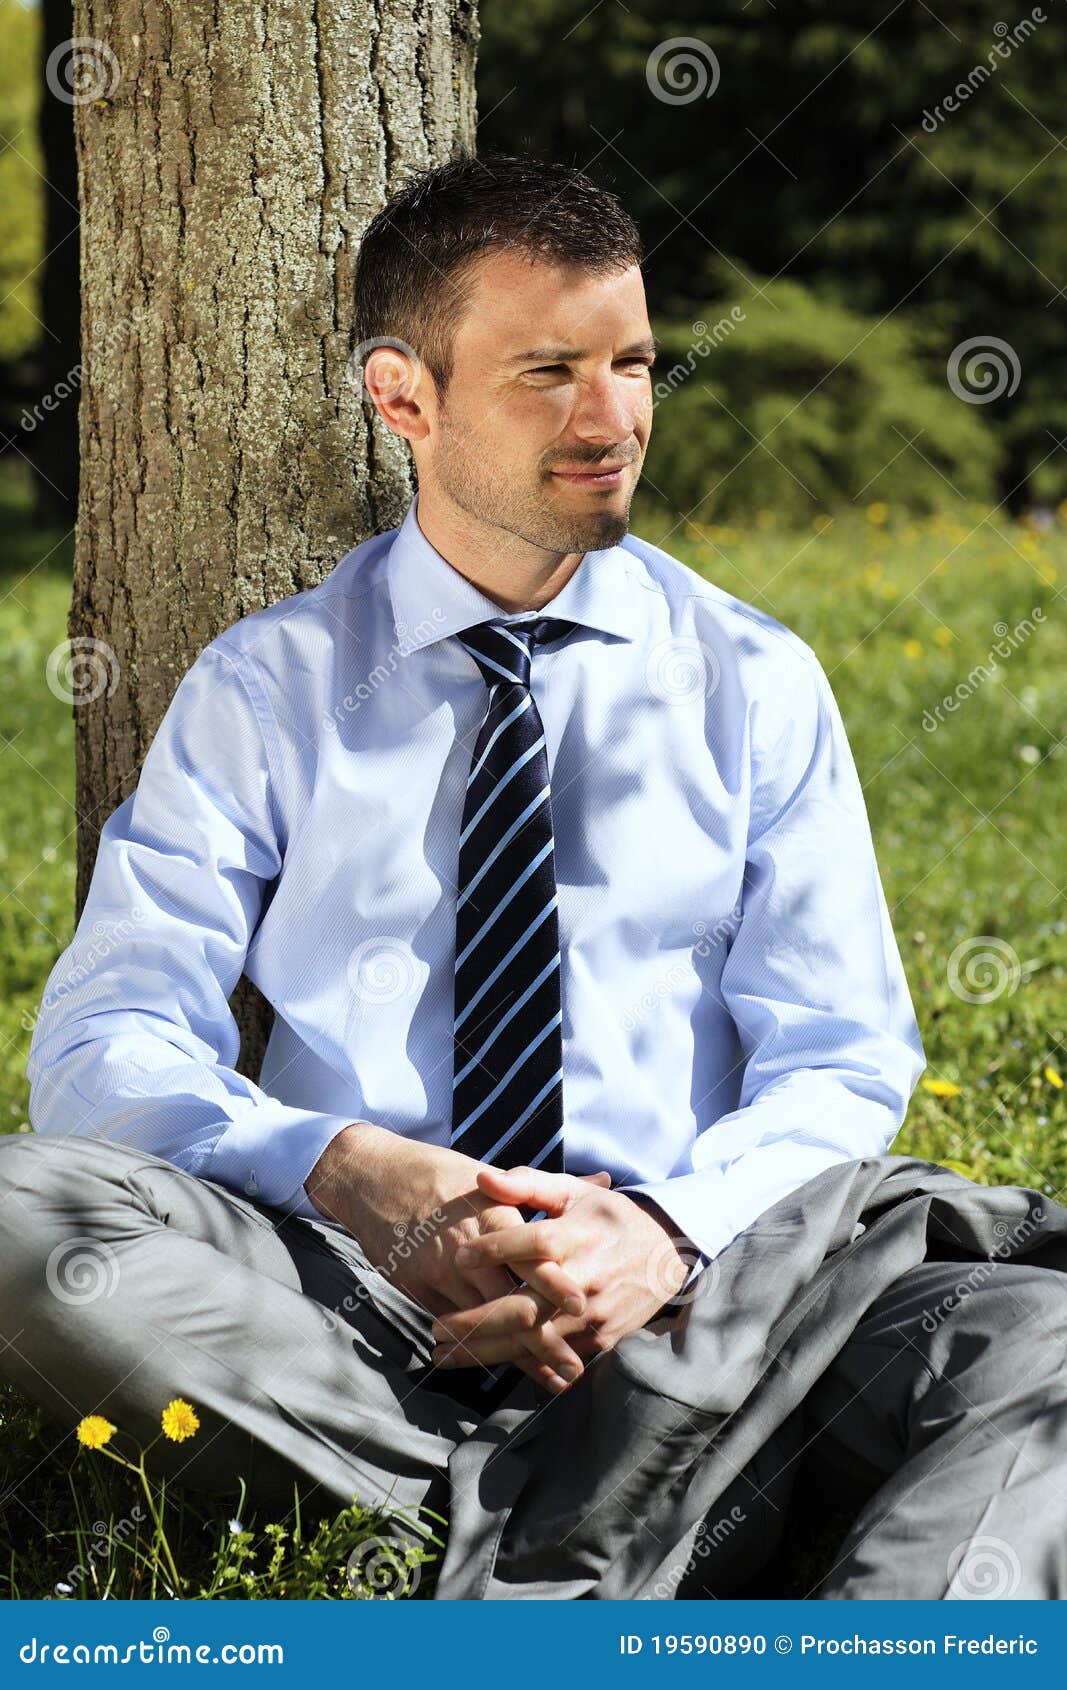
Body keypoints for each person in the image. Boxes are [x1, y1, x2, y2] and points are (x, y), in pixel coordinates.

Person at [4, 151, 1065, 1600]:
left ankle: (778, 1615)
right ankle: (593, 1517)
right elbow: (102, 1042)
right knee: (19, 1213)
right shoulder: (270, 687)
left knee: (1038, 1336)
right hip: (362, 1310)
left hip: (717, 1309)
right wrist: (346, 1170)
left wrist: (664, 1233)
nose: (613, 418)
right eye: (550, 371)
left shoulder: (752, 677)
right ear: (403, 398)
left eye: (634, 363)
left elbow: (841, 1055)